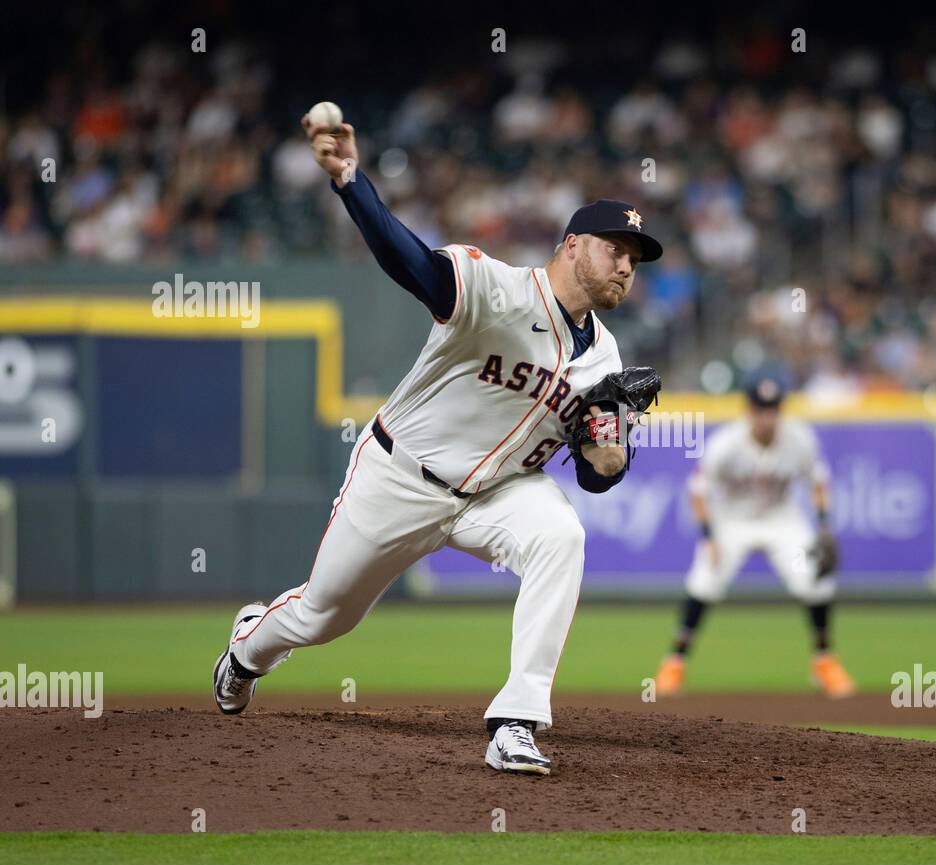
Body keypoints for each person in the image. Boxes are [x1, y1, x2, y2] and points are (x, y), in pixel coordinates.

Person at [212, 112, 663, 776]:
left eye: (634, 257)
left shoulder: (608, 360)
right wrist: (349, 181)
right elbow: (409, 260)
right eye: (614, 248)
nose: (625, 265)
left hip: (498, 493)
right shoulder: (497, 290)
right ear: (571, 246)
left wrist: (612, 452)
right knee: (323, 617)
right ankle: (248, 649)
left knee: (561, 537)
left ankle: (517, 721)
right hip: (401, 476)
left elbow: (597, 476)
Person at [654, 377, 855, 698]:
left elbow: (817, 482)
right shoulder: (727, 443)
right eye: (761, 409)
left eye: (773, 409)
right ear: (749, 411)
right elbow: (698, 491)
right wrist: (710, 538)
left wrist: (824, 526)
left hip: (782, 520)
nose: (767, 416)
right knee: (705, 581)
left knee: (814, 579)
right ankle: (674, 663)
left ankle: (824, 661)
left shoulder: (799, 438)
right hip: (732, 521)